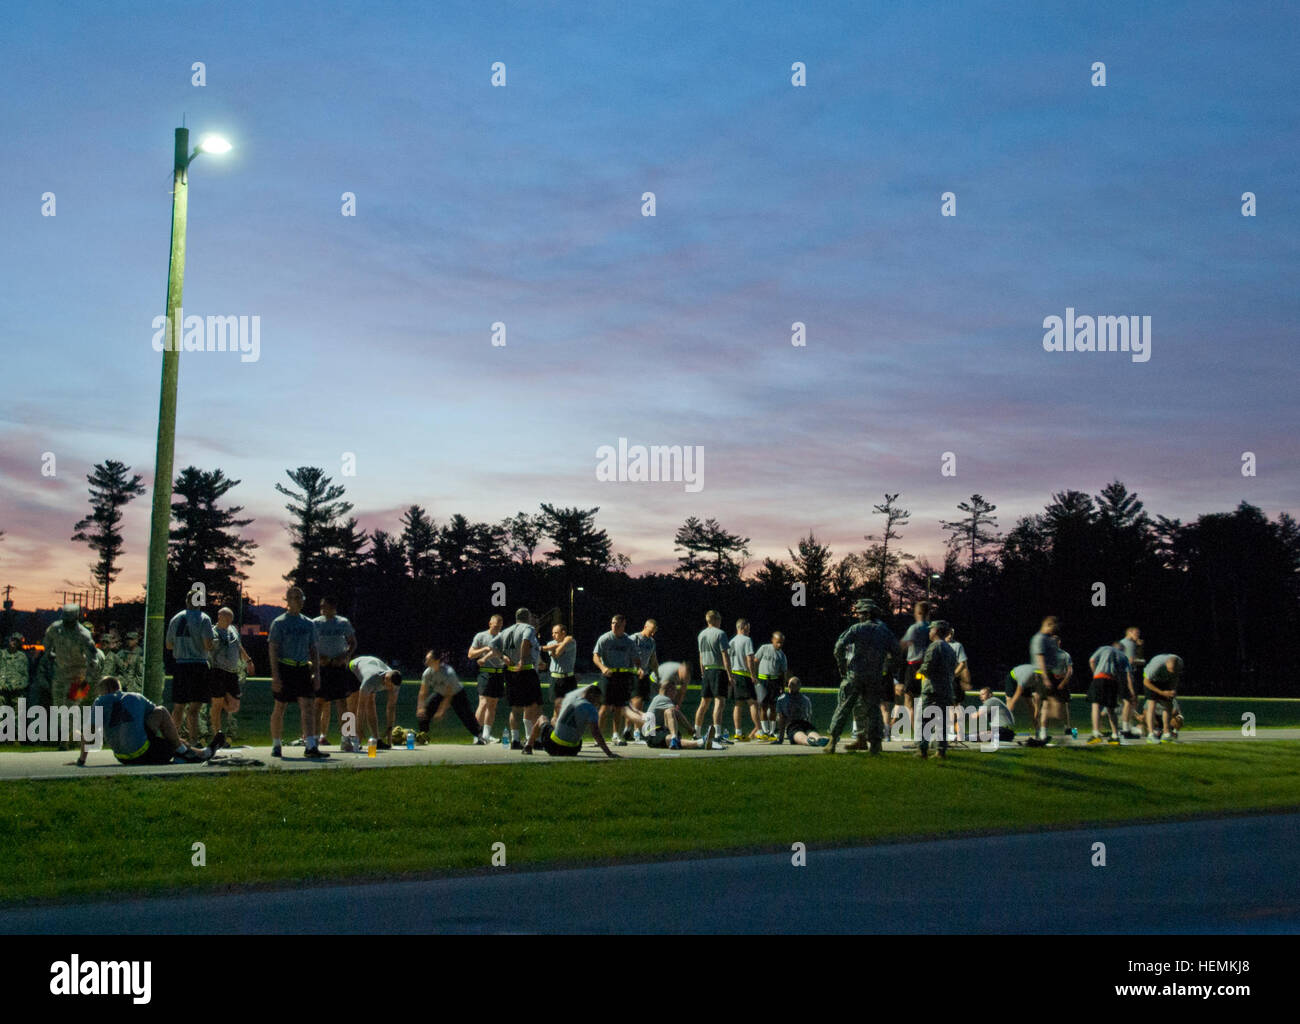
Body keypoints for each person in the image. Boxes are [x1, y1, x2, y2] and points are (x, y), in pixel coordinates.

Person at [77, 676, 220, 766]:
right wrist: (175, 739)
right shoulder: (135, 697)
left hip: (122, 757)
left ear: (103, 691)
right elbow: (159, 717)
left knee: (170, 739)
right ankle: (183, 753)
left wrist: (82, 760)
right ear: (119, 687)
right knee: (161, 711)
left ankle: (199, 752)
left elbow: (88, 733)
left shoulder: (100, 701)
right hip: (146, 753)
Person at [826, 598, 901, 754]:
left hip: (855, 674)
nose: (858, 616)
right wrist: (887, 669)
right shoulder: (884, 631)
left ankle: (832, 742)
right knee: (873, 710)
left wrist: (842, 667)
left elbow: (839, 646)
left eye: (860, 613)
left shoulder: (857, 628)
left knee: (843, 707)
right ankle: (874, 744)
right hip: (874, 676)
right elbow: (897, 652)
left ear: (866, 614)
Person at [268, 587, 327, 759]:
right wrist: (276, 676)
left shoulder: (309, 623)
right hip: (285, 667)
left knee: (308, 707)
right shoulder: (279, 623)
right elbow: (273, 649)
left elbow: (313, 649)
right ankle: (276, 744)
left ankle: (310, 746)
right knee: (280, 707)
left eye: (300, 597)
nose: (298, 601)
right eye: (294, 598)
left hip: (302, 669)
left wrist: (316, 673)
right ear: (287, 600)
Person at [164, 593, 217, 745]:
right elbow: (208, 644)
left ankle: (171, 741)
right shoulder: (204, 618)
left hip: (180, 665)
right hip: (198, 665)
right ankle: (194, 741)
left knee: (178, 706)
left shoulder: (176, 618)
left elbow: (169, 645)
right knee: (194, 708)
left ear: (186, 601)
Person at [521, 682, 620, 758]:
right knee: (554, 721)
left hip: (552, 747)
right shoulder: (591, 709)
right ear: (592, 697)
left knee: (542, 718)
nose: (599, 703)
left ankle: (528, 746)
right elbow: (596, 733)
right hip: (572, 750)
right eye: (598, 699)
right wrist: (609, 753)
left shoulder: (571, 700)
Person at [42, 604, 99, 735]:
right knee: (58, 706)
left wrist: (88, 680)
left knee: (73, 706)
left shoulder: (84, 634)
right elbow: (47, 647)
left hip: (79, 676)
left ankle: (69, 737)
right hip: (60, 674)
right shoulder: (55, 629)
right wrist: (51, 658)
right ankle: (66, 735)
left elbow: (93, 659)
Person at [312, 596, 357, 749]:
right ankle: (315, 738)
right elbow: (310, 644)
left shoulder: (343, 622)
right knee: (318, 702)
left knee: (342, 702)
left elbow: (353, 643)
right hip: (322, 667)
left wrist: (345, 656)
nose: (322, 609)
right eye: (321, 606)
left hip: (338, 667)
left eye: (325, 606)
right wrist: (318, 658)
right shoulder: (315, 623)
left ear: (333, 607)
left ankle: (347, 738)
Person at [496, 608, 543, 749]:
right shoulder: (528, 628)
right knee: (533, 705)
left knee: (515, 708)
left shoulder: (506, 631)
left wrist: (503, 657)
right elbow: (525, 641)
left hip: (510, 673)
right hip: (526, 671)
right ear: (527, 617)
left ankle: (515, 740)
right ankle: (532, 740)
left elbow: (492, 645)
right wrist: (522, 660)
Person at [642, 662, 717, 749]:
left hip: (662, 730)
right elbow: (678, 714)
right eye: (674, 690)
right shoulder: (661, 699)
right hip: (652, 733)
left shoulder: (666, 702)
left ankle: (678, 739)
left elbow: (676, 713)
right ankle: (700, 742)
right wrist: (691, 730)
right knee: (670, 712)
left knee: (669, 713)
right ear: (669, 690)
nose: (676, 692)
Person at [416, 650, 485, 742]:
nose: (426, 661)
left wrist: (442, 711)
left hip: (457, 694)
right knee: (424, 713)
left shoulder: (448, 672)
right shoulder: (427, 673)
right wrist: (420, 708)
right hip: (440, 693)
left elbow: (449, 695)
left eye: (428, 659)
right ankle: (423, 735)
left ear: (436, 660)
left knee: (466, 716)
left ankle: (479, 735)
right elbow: (423, 692)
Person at [592, 613, 639, 745]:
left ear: (623, 625)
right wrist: (602, 667)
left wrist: (639, 667)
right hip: (608, 675)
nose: (614, 626)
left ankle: (616, 735)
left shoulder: (628, 641)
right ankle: (598, 736)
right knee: (605, 706)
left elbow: (635, 658)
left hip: (623, 676)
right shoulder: (605, 638)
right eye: (613, 623)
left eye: (617, 624)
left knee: (619, 707)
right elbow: (595, 656)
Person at [209, 608, 252, 748]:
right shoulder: (212, 631)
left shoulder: (233, 630)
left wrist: (248, 661)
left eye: (230, 620)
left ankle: (219, 705)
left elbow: (239, 646)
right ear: (219, 616)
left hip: (232, 672)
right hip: (217, 670)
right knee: (217, 703)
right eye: (226, 619)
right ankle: (218, 735)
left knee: (234, 706)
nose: (228, 622)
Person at [916, 620, 957, 759]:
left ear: (936, 631)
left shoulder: (934, 647)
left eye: (931, 629)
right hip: (946, 689)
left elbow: (927, 667)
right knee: (943, 721)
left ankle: (922, 749)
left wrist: (919, 672)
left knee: (925, 719)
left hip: (932, 689)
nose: (929, 632)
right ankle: (941, 750)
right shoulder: (950, 649)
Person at [693, 610, 733, 744]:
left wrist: (702, 672)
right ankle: (717, 734)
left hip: (707, 670)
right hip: (719, 670)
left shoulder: (701, 634)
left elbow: (700, 655)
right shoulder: (720, 634)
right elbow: (725, 656)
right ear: (715, 620)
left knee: (703, 703)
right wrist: (730, 675)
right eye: (719, 620)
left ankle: (696, 732)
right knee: (719, 702)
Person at [1024, 616, 1062, 748]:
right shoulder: (1039, 638)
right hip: (1042, 674)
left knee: (1046, 705)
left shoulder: (1048, 639)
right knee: (1048, 705)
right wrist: (1045, 678)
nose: (1054, 630)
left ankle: (1043, 734)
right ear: (1048, 624)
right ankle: (1042, 733)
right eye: (1053, 627)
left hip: (1048, 673)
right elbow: (1040, 658)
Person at [469, 614, 508, 743]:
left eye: (500, 626)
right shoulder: (481, 636)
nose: (498, 629)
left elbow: (504, 654)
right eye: (496, 626)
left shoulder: (502, 637)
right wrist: (484, 649)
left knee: (493, 705)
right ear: (490, 624)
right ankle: (476, 735)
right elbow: (470, 654)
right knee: (483, 703)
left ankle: (486, 734)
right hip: (485, 673)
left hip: (498, 673)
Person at [349, 655, 402, 749]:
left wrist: (389, 735)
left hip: (372, 665)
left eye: (392, 688)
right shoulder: (370, 680)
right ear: (386, 680)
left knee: (371, 703)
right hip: (353, 668)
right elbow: (361, 708)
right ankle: (350, 739)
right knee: (352, 703)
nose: (390, 690)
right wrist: (359, 730)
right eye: (389, 687)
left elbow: (391, 707)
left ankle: (376, 739)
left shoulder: (395, 683)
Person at [727, 618, 762, 741]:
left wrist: (729, 675)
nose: (749, 631)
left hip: (734, 674)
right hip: (744, 675)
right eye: (748, 628)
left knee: (738, 704)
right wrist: (753, 675)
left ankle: (738, 732)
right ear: (743, 627)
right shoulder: (747, 640)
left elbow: (727, 660)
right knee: (753, 703)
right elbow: (750, 659)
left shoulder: (731, 642)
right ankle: (760, 731)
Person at [899, 601, 933, 723]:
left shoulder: (915, 628)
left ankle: (919, 734)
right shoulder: (931, 628)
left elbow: (903, 644)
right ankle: (928, 731)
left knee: (909, 700)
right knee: (925, 699)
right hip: (928, 666)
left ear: (918, 612)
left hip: (914, 665)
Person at [1086, 642, 1124, 745]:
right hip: (1113, 680)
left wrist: (1095, 673)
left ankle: (1096, 734)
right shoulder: (1122, 655)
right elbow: (1123, 673)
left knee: (1096, 706)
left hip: (1100, 677)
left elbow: (1092, 660)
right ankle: (1115, 736)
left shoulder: (1105, 648)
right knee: (1111, 709)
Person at [753, 631, 788, 741]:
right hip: (763, 680)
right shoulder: (764, 648)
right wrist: (754, 676)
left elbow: (783, 672)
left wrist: (782, 686)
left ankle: (772, 732)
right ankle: (765, 731)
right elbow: (755, 660)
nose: (779, 645)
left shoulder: (782, 655)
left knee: (773, 707)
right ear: (772, 640)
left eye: (781, 643)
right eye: (777, 642)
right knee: (763, 707)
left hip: (774, 682)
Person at [628, 619, 659, 740]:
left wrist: (657, 674)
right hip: (633, 673)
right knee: (636, 701)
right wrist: (636, 669)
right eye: (651, 631)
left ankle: (633, 730)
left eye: (654, 632)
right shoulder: (634, 638)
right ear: (645, 626)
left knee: (640, 702)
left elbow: (653, 659)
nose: (652, 634)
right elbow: (628, 655)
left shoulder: (651, 641)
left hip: (644, 674)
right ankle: (633, 730)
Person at [1143, 654, 1184, 743]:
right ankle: (1151, 735)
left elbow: (1175, 677)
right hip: (1151, 681)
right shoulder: (1156, 665)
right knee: (1152, 705)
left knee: (1168, 705)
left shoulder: (1179, 663)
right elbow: (1146, 682)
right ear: (1166, 664)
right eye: (1169, 670)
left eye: (1173, 670)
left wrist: (1172, 690)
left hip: (1165, 681)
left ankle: (1166, 734)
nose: (1171, 672)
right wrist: (1162, 693)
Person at [775, 676, 827, 746]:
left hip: (792, 725)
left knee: (798, 734)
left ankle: (808, 741)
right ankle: (818, 738)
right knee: (810, 731)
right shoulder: (806, 699)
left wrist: (780, 738)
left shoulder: (782, 699)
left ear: (788, 686)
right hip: (805, 723)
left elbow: (781, 719)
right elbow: (808, 716)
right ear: (800, 686)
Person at [542, 623, 578, 719]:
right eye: (552, 633)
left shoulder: (572, 642)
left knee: (570, 707)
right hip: (555, 679)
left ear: (563, 633)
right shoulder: (551, 643)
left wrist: (565, 642)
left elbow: (558, 651)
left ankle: (568, 732)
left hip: (568, 679)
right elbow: (556, 654)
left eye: (556, 633)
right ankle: (555, 732)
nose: (553, 635)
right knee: (557, 708)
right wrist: (565, 642)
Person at [1118, 626, 1145, 738]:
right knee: (1129, 701)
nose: (1138, 636)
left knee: (1131, 702)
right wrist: (1142, 661)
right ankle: (1125, 728)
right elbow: (1131, 661)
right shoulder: (1128, 643)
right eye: (1136, 633)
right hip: (1126, 675)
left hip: (1123, 674)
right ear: (1129, 632)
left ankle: (1127, 726)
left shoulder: (1127, 643)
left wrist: (1140, 647)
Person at [947, 629, 971, 742]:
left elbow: (963, 663)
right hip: (942, 679)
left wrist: (954, 675)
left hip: (953, 679)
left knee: (955, 705)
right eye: (947, 633)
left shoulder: (957, 646)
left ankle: (955, 732)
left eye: (951, 633)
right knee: (947, 705)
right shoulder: (938, 644)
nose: (949, 635)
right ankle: (950, 731)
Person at [0, 633, 29, 712]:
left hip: (17, 692)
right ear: (9, 640)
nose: (14, 642)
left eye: (17, 641)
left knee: (18, 718)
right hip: (2, 692)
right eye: (13, 640)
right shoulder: (1, 654)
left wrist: (19, 686)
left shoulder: (22, 657)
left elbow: (25, 676)